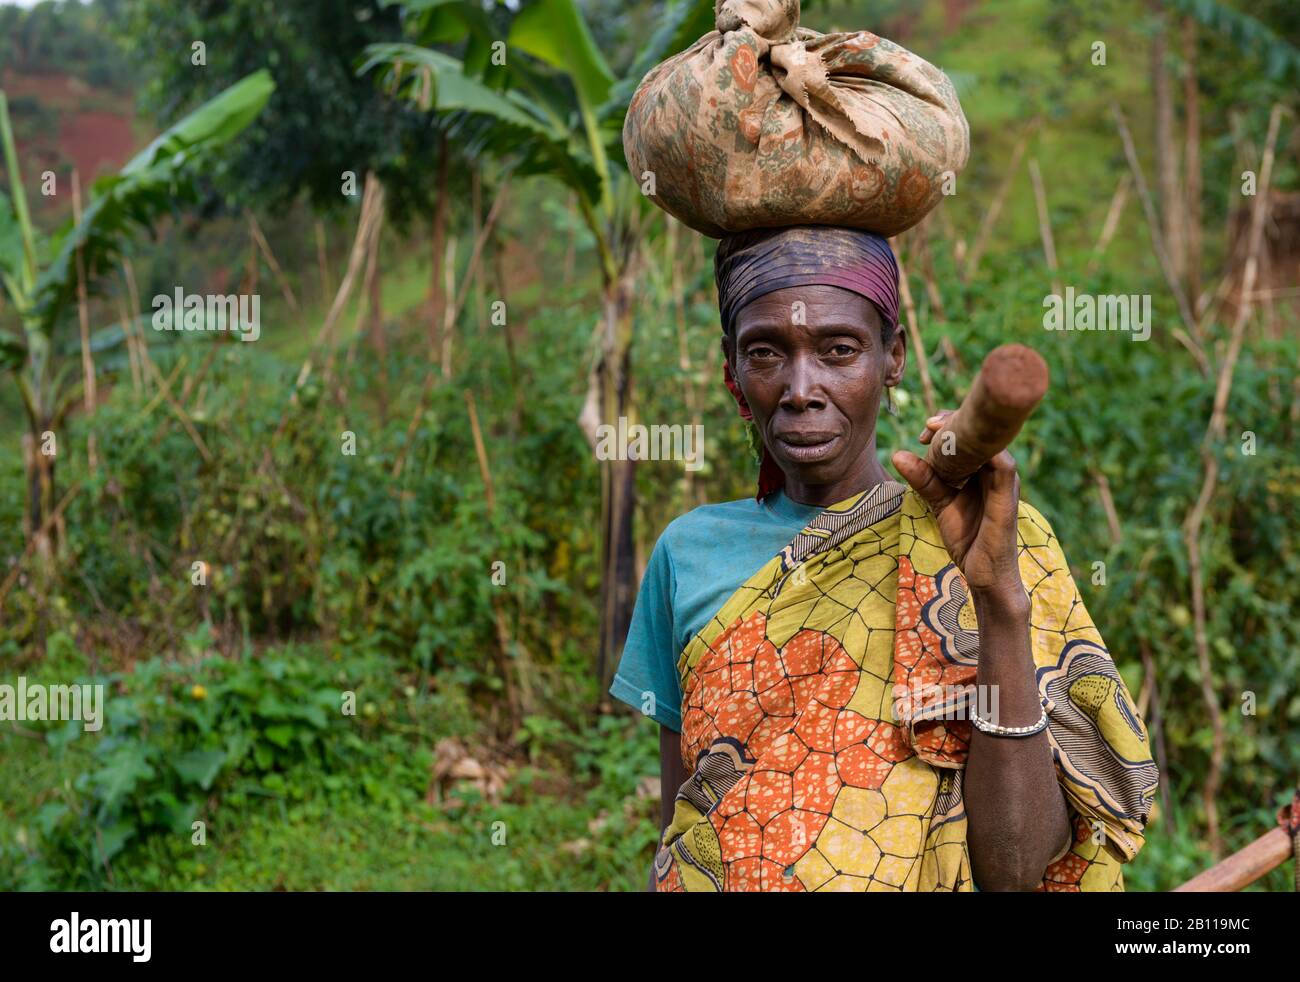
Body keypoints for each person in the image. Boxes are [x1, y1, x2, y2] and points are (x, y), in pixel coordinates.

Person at [607, 225, 1159, 892]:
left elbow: (1015, 871)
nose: (801, 388)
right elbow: (684, 825)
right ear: (731, 370)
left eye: (839, 350)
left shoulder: (991, 539)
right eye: (765, 353)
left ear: (892, 357)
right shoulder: (686, 553)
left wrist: (999, 603)